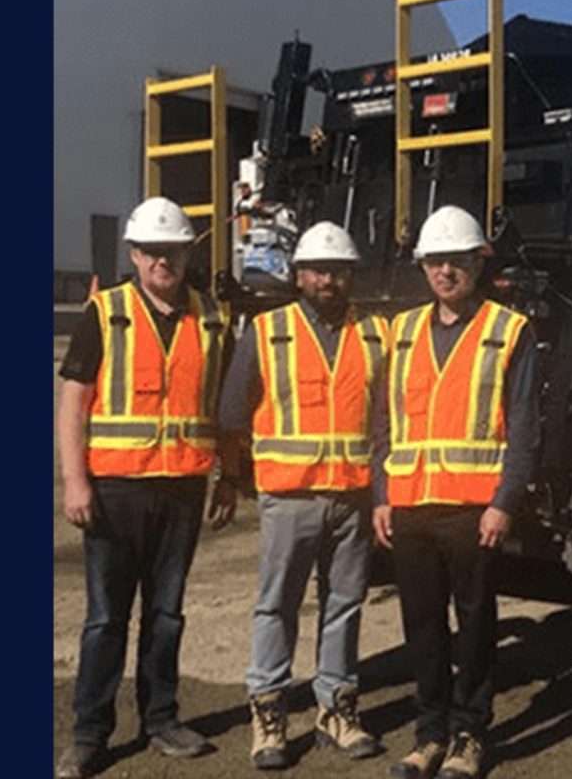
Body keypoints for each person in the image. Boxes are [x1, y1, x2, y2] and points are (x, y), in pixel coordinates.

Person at [57, 197, 238, 779]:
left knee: (166, 615)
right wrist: (75, 481)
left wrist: (228, 475)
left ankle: (161, 719)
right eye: (153, 251)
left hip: (182, 490)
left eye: (174, 251)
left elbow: (226, 409)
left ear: (188, 255)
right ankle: (90, 734)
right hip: (114, 491)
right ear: (135, 255)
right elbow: (73, 404)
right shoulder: (106, 312)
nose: (164, 260)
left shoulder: (212, 319)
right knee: (106, 618)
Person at [373, 205, 540, 779]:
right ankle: (429, 736)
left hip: (474, 510)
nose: (446, 272)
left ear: (479, 264)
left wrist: (505, 501)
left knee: (474, 627)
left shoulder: (508, 330)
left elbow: (523, 427)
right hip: (412, 509)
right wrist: (379, 495)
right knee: (421, 627)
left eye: (457, 262)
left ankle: (470, 736)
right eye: (436, 262)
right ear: (423, 267)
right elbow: (383, 424)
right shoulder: (401, 333)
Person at [218, 221, 389, 769]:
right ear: (299, 276)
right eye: (318, 270)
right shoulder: (268, 332)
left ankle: (336, 708)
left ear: (351, 277)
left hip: (353, 496)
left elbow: (388, 421)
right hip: (290, 497)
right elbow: (231, 414)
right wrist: (241, 478)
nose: (328, 280)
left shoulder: (377, 334)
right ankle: (269, 714)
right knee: (277, 605)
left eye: (338, 271)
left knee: (344, 605)